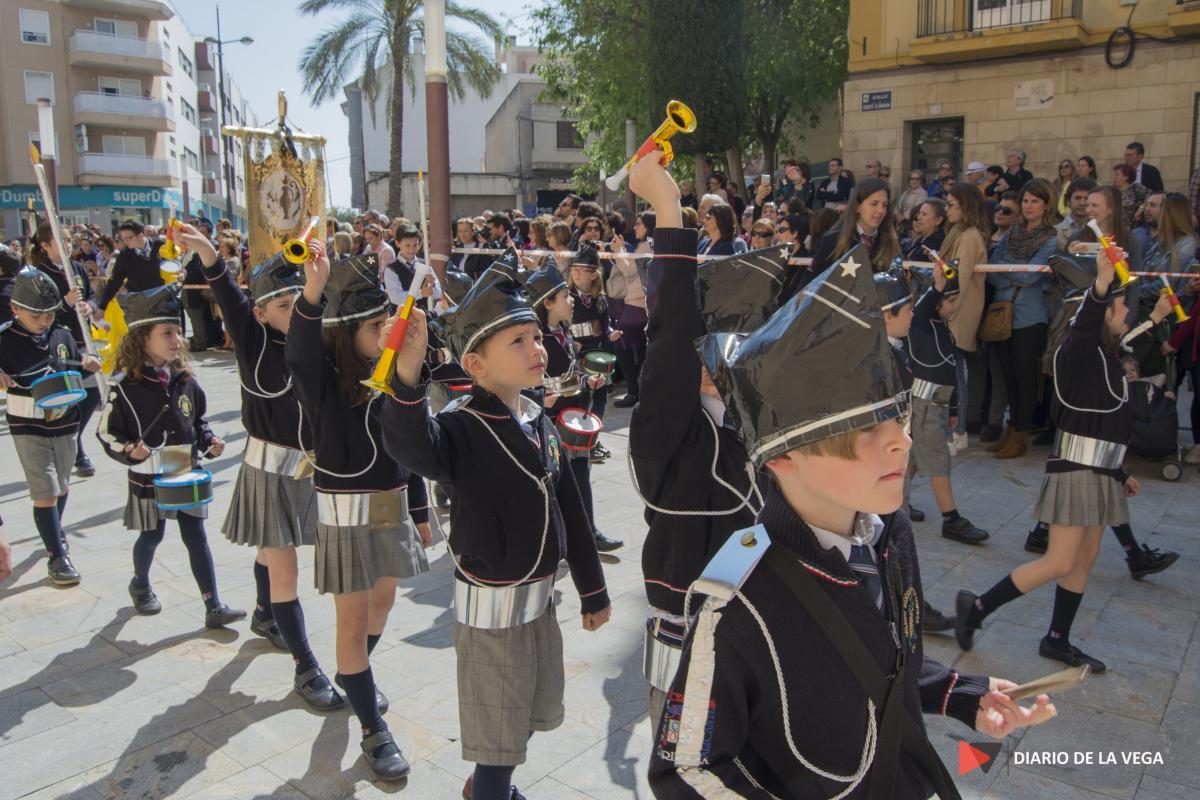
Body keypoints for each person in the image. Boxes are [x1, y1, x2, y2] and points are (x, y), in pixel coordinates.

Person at [649, 234, 1056, 797]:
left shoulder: (888, 536)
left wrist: (962, 694)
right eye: (867, 427)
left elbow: (886, 656)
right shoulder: (735, 599)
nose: (900, 443)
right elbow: (685, 769)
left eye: (898, 416)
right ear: (785, 457)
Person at [382, 259, 612, 800]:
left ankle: (493, 786)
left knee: (528, 712)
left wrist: (593, 587)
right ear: (475, 364)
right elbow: (409, 446)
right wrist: (409, 371)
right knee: (497, 737)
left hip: (539, 601)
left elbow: (570, 507)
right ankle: (489, 790)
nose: (537, 348)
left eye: (536, 335)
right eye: (518, 340)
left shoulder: (535, 418)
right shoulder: (460, 426)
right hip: (491, 613)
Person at [957, 247, 1168, 672]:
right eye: (1121, 305)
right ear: (1101, 309)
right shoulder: (1078, 352)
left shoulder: (1105, 356)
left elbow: (1106, 422)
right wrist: (1101, 284)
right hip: (1075, 473)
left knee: (1083, 559)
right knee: (1059, 561)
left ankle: (1057, 638)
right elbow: (1088, 326)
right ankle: (977, 608)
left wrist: (1118, 472)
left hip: (1098, 472)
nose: (1126, 309)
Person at [629, 155, 785, 715]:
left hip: (755, 628)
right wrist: (669, 211)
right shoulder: (667, 432)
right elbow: (669, 343)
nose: (732, 355)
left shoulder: (759, 426)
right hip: (684, 624)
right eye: (717, 340)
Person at [285, 246, 431, 780]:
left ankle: (356, 675)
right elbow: (299, 355)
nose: (386, 333)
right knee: (353, 619)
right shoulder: (323, 384)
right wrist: (312, 292)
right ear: (348, 334)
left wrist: (420, 510)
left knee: (384, 602)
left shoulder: (393, 372)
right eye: (376, 326)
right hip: (345, 511)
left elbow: (411, 447)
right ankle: (374, 730)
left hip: (391, 505)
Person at [189, 226, 342, 712]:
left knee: (270, 552)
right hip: (268, 471)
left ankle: (262, 614)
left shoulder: (317, 343)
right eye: (281, 305)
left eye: (299, 301)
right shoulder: (252, 342)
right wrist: (210, 256)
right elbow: (228, 297)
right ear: (259, 312)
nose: (294, 310)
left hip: (311, 470)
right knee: (284, 566)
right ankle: (305, 667)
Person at [95, 284, 243, 627]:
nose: (177, 339)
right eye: (167, 332)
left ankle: (213, 605)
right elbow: (105, 433)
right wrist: (129, 450)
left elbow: (197, 420)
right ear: (141, 337)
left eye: (178, 331)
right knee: (152, 534)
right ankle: (141, 583)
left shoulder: (185, 379)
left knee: (196, 536)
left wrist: (209, 440)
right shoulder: (123, 385)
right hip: (148, 471)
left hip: (183, 465)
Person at [0, 268, 99, 586]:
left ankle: (54, 533)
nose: (45, 321)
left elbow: (73, 365)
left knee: (62, 485)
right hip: (27, 422)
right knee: (44, 490)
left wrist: (87, 364)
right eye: (36, 315)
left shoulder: (62, 334)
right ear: (15, 309)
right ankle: (57, 556)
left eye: (49, 314)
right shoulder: (3, 339)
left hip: (66, 420)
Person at [986, 179, 1059, 459]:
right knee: (1007, 377)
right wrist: (1011, 271)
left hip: (1030, 317)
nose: (1028, 206)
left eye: (1034, 201)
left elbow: (1031, 275)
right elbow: (990, 269)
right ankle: (1011, 429)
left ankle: (1020, 434)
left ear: (1046, 205)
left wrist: (1006, 270)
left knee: (1024, 378)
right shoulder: (1013, 231)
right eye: (1025, 201)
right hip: (1003, 311)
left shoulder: (1050, 238)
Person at [28, 223, 103, 478]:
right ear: (45, 245)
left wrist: (90, 307)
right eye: (60, 242)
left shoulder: (77, 268)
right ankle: (77, 452)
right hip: (57, 344)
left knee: (92, 394)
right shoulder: (37, 274)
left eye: (69, 241)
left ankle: (73, 438)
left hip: (83, 340)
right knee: (70, 395)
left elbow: (92, 295)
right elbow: (36, 313)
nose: (67, 246)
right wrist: (64, 304)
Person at [943, 185, 992, 448]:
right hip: (951, 309)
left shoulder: (971, 237)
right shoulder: (956, 233)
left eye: (952, 204)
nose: (947, 209)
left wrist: (947, 307)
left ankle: (959, 430)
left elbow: (959, 278)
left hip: (959, 311)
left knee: (957, 375)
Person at [568, 246, 617, 471]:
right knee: (582, 399)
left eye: (582, 269)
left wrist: (610, 334)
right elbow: (558, 326)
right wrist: (570, 340)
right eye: (574, 269)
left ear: (593, 274)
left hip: (595, 355)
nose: (576, 273)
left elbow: (604, 327)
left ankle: (594, 438)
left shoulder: (600, 300)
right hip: (577, 357)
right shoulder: (567, 298)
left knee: (599, 399)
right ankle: (581, 439)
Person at [808, 177, 901, 285]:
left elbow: (897, 290)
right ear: (857, 206)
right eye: (874, 204)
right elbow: (809, 285)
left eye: (884, 205)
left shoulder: (890, 245)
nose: (880, 210)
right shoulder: (831, 241)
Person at [607, 216, 651, 408]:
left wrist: (618, 251)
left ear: (648, 226)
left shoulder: (647, 246)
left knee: (620, 343)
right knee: (639, 350)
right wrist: (623, 250)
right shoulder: (649, 244)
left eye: (639, 223)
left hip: (637, 304)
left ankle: (634, 392)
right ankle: (638, 391)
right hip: (643, 303)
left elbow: (628, 271)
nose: (635, 227)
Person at [1056, 177, 1100, 250]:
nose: (1082, 203)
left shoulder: (1102, 230)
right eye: (1077, 198)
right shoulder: (1055, 232)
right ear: (1068, 202)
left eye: (1087, 198)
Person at [1113, 164, 1149, 231]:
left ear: (1126, 176)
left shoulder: (1136, 188)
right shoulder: (1112, 191)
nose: (1114, 177)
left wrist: (1140, 209)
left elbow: (1150, 197)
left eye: (1117, 175)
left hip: (1132, 229)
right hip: (1115, 228)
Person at [989, 190, 1020, 255]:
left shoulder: (1016, 243)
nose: (1000, 212)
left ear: (1018, 217)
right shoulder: (985, 233)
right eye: (998, 207)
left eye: (1006, 211)